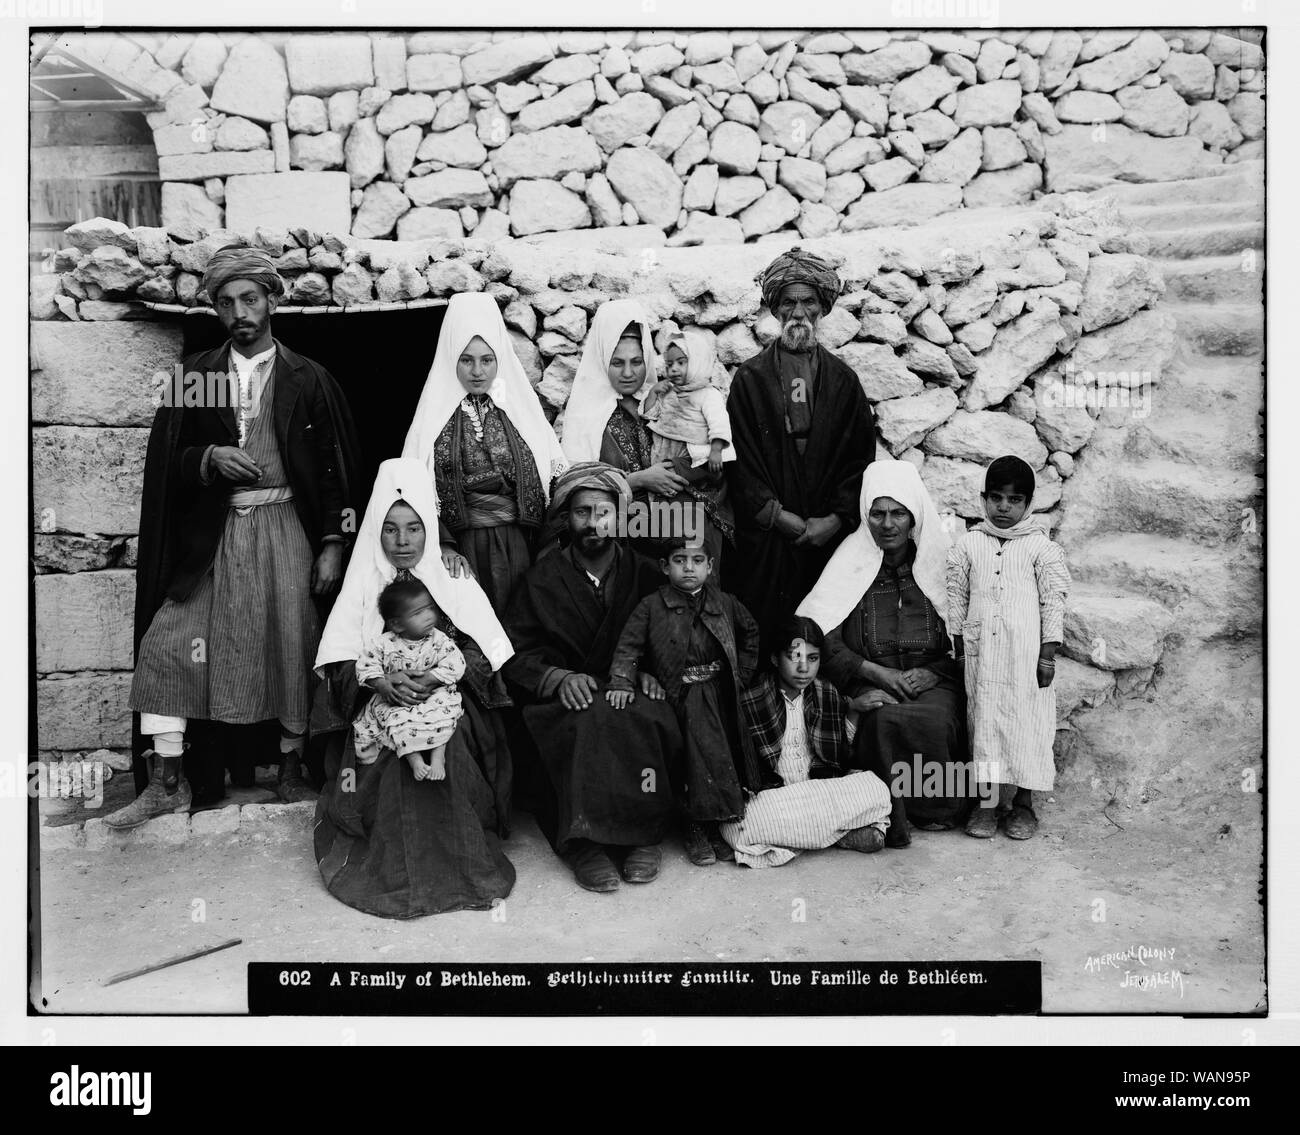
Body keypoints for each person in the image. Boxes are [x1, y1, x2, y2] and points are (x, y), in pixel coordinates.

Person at [112, 245, 361, 828]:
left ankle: (292, 767)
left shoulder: (309, 379)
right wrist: (207, 457)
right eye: (226, 303)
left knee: (291, 642)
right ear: (216, 311)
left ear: (273, 300)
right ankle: (168, 779)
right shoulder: (194, 375)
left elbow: (335, 470)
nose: (239, 312)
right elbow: (165, 463)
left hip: (285, 532)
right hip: (213, 538)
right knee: (169, 645)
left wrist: (332, 543)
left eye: (250, 299)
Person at [312, 458, 516, 918]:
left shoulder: (452, 577)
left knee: (450, 743)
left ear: (430, 530)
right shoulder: (361, 583)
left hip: (450, 703)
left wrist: (433, 679)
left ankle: (459, 864)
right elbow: (341, 664)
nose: (403, 542)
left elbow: (485, 655)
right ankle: (405, 871)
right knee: (388, 757)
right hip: (381, 708)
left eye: (414, 529)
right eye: (390, 530)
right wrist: (384, 685)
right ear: (375, 533)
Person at [502, 462, 683, 893]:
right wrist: (557, 677)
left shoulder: (645, 573)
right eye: (582, 512)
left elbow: (670, 635)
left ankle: (642, 834)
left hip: (629, 684)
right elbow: (513, 650)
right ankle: (584, 844)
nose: (593, 523)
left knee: (645, 717)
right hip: (568, 692)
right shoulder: (541, 578)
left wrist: (647, 672)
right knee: (582, 722)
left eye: (603, 512)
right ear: (567, 517)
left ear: (620, 517)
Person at [798, 458, 971, 847]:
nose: (887, 524)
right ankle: (886, 810)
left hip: (934, 679)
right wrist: (875, 674)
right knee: (881, 719)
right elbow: (821, 634)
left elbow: (965, 638)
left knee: (937, 720)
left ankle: (936, 810)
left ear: (914, 517)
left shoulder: (943, 564)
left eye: (898, 514)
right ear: (865, 514)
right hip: (872, 678)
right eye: (877, 514)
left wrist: (935, 672)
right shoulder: (849, 563)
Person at [726, 248, 877, 650]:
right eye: (789, 301)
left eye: (808, 301)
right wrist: (778, 516)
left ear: (822, 308)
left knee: (825, 633)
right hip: (770, 537)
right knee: (766, 635)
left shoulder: (844, 382)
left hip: (826, 534)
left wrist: (834, 519)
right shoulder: (750, 380)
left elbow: (860, 458)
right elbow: (737, 460)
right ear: (775, 309)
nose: (799, 311)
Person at [403, 292, 567, 610]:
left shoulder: (521, 412)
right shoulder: (432, 419)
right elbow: (412, 491)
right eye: (467, 360)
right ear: (452, 358)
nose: (477, 371)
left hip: (521, 546)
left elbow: (554, 483)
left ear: (499, 359)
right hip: (460, 549)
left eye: (487, 360)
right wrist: (444, 546)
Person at [606, 538, 760, 867]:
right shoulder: (651, 606)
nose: (688, 568)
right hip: (680, 696)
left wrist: (741, 673)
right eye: (679, 560)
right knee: (691, 762)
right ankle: (693, 827)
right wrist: (622, 679)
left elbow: (750, 633)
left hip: (718, 693)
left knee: (721, 759)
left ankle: (717, 825)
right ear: (665, 566)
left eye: (697, 560)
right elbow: (629, 646)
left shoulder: (725, 602)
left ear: (710, 566)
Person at [947, 455, 1072, 841]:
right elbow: (956, 596)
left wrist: (1047, 655)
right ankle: (987, 806)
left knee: (1028, 726)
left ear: (1029, 504)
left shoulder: (1041, 548)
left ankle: (1023, 804)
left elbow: (1054, 601)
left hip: (1026, 658)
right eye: (996, 498)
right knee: (983, 725)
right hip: (982, 656)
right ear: (983, 499)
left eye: (1014, 500)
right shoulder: (969, 544)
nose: (1004, 508)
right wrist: (960, 649)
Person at [559, 300, 732, 560]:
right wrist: (637, 480)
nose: (628, 373)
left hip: (675, 533)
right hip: (620, 541)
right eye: (617, 363)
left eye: (637, 362)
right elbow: (572, 488)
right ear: (603, 359)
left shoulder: (665, 401)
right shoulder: (586, 415)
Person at [721, 617, 894, 868]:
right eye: (795, 657)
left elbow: (840, 755)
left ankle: (798, 837)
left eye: (812, 659)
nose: (804, 668)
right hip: (773, 799)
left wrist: (853, 712)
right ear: (775, 659)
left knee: (876, 788)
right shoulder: (752, 699)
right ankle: (839, 834)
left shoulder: (826, 693)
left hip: (818, 791)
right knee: (741, 822)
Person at [352, 577, 466, 783]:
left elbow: (456, 662)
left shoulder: (438, 639)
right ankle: (415, 760)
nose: (428, 616)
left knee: (446, 712)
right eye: (417, 613)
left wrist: (431, 677)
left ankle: (438, 757)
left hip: (432, 694)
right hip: (396, 698)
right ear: (396, 624)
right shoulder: (383, 644)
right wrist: (382, 684)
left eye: (429, 608)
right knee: (396, 720)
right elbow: (365, 665)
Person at [642, 328, 736, 477]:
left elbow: (719, 424)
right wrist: (653, 393)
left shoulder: (708, 394)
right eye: (669, 364)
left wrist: (716, 450)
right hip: (664, 447)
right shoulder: (668, 390)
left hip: (691, 453)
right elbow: (650, 415)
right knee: (662, 480)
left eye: (681, 363)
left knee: (683, 480)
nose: (673, 369)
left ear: (696, 363)